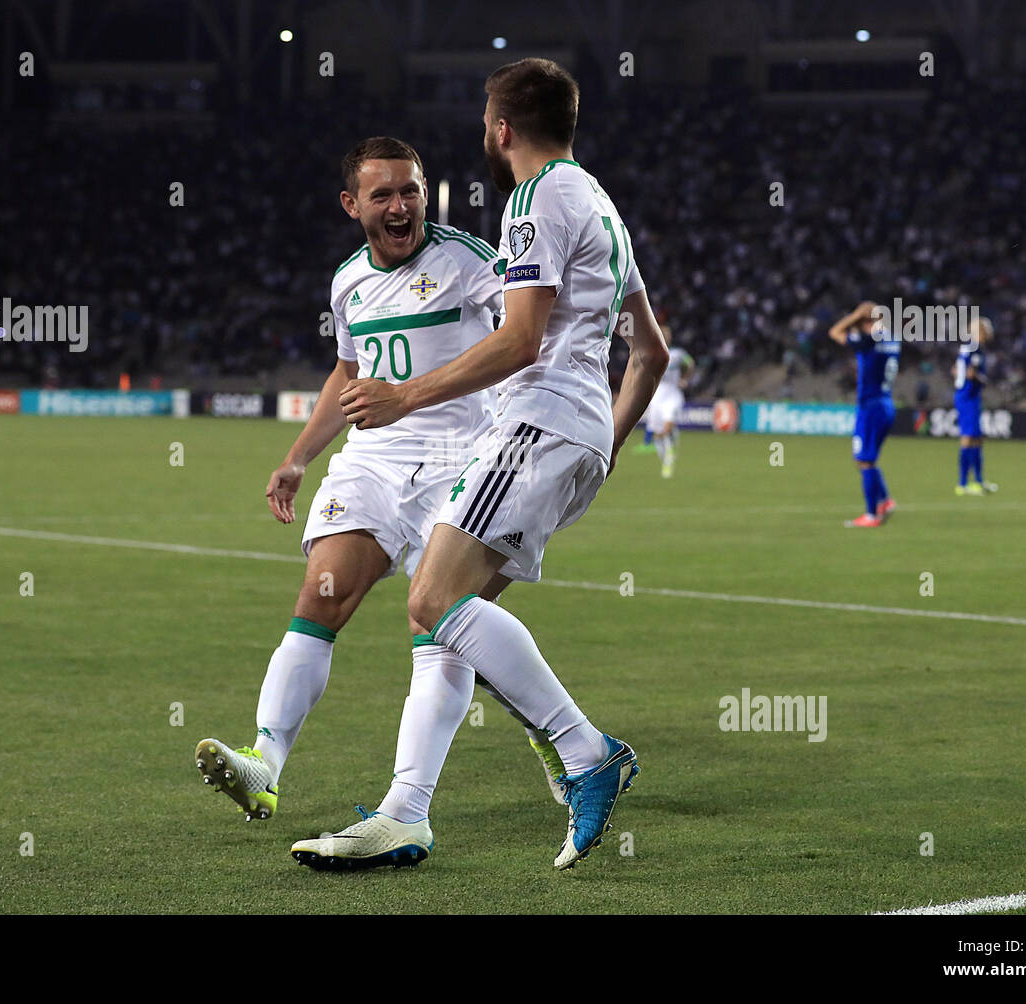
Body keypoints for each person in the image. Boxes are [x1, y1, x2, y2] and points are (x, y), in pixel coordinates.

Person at [293, 58, 669, 872]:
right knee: (445, 630)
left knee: (432, 597)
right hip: (572, 436)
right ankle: (405, 814)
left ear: (499, 128)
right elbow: (653, 351)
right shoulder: (603, 205)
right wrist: (599, 446)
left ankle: (585, 750)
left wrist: (407, 396)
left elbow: (523, 339)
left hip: (535, 424)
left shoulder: (533, 202)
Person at [194, 136, 558, 825]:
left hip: (463, 462)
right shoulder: (346, 281)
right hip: (373, 461)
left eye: (410, 190)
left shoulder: (470, 260)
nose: (400, 205)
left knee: (440, 630)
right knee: (320, 596)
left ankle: (412, 802)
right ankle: (263, 765)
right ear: (352, 204)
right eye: (383, 194)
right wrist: (299, 455)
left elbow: (525, 329)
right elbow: (349, 371)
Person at [829, 300, 900, 527]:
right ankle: (886, 501)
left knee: (864, 460)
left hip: (871, 406)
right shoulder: (892, 338)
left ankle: (871, 515)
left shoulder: (868, 341)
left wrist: (855, 314)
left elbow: (835, 332)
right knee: (869, 459)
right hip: (886, 404)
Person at [954, 316, 999, 495]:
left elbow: (956, 369)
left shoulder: (969, 348)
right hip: (967, 397)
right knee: (968, 437)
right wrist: (983, 379)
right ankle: (963, 483)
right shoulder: (973, 349)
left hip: (969, 396)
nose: (988, 334)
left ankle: (978, 481)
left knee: (977, 438)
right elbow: (971, 373)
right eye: (985, 330)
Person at [645, 325, 694, 479]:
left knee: (666, 427)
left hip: (672, 394)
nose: (665, 336)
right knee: (658, 434)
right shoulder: (651, 352)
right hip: (657, 395)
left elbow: (690, 363)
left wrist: (685, 379)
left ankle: (669, 459)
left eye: (667, 334)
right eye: (663, 333)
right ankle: (666, 459)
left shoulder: (678, 354)